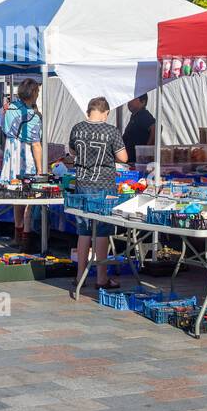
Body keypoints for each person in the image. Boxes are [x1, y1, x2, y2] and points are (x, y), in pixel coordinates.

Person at [67, 97, 129, 290]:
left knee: (83, 231)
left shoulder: (77, 128)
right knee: (102, 231)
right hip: (104, 186)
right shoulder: (111, 131)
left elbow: (72, 152)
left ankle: (80, 276)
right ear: (106, 112)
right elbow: (123, 157)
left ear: (89, 110)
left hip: (82, 184)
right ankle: (101, 278)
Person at [0, 78, 45, 247]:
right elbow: (36, 145)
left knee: (16, 196)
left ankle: (17, 234)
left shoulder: (9, 107)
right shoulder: (33, 116)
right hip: (25, 157)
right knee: (28, 198)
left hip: (10, 155)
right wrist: (41, 171)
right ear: (34, 93)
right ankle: (26, 237)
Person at [122, 94, 155, 161]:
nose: (129, 102)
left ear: (143, 102)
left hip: (137, 161)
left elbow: (156, 128)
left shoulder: (143, 115)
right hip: (131, 160)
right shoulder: (135, 116)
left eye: (133, 100)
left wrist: (146, 151)